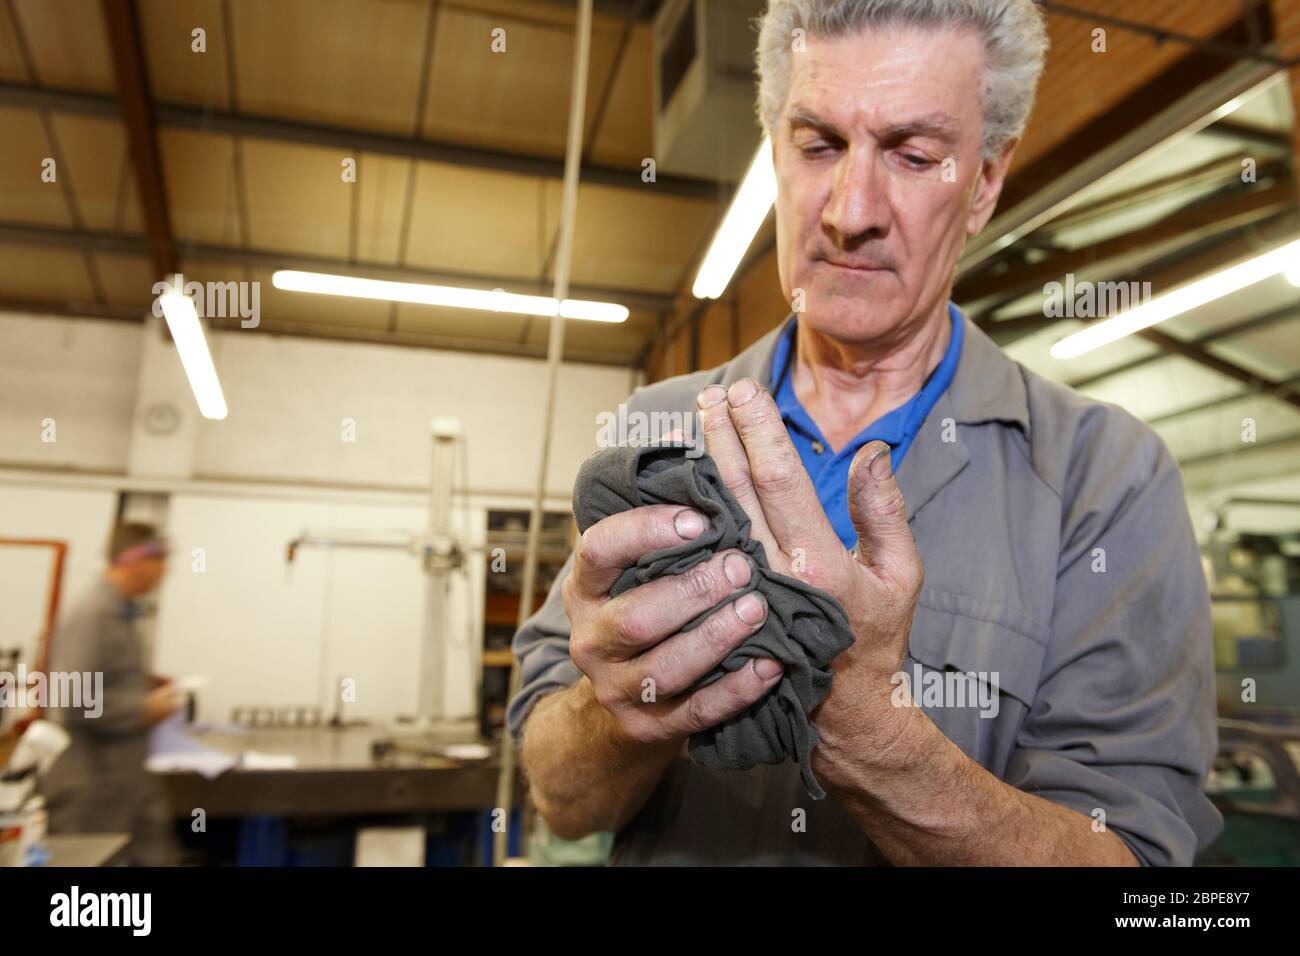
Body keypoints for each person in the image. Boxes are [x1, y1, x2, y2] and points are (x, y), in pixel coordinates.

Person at [509, 0, 1222, 865]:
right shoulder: (654, 431)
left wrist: (869, 731)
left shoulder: (1105, 479)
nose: (850, 210)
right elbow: (560, 798)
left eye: (914, 155)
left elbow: (1138, 872)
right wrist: (614, 712)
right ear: (773, 150)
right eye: (817, 145)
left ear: (986, 182)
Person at [41, 521, 180, 865]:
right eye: (159, 561)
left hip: (124, 782)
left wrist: (143, 684)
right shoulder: (95, 612)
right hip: (92, 789)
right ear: (133, 559)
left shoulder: (120, 613)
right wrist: (143, 708)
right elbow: (71, 699)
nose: (164, 572)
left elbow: (103, 680)